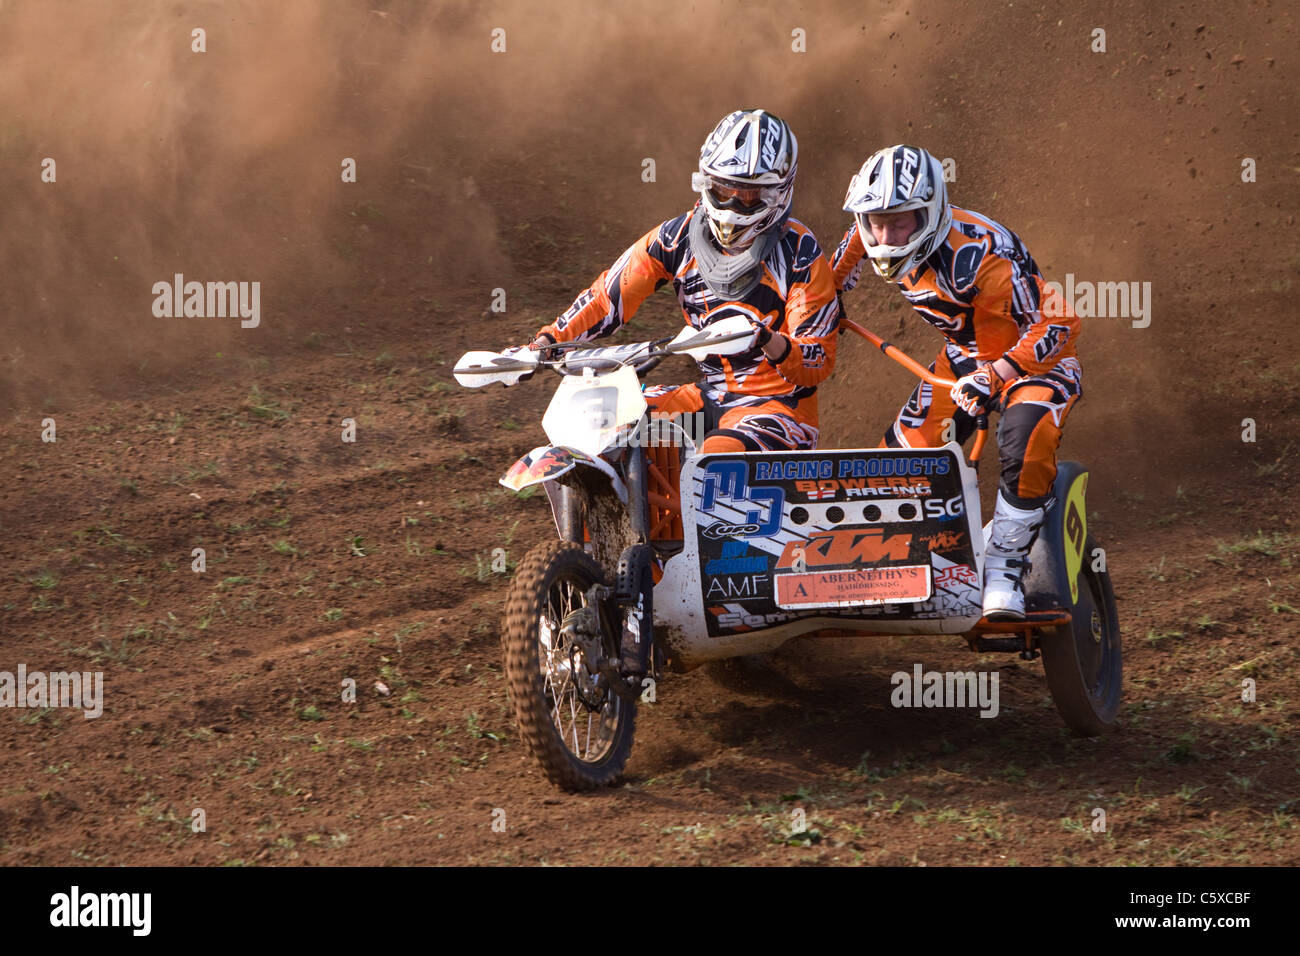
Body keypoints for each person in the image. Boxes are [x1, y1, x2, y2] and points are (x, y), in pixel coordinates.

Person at [830, 145, 1082, 620]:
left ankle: (1005, 567)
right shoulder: (869, 233)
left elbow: (1060, 322)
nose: (885, 235)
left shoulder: (984, 253)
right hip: (961, 362)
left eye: (900, 222)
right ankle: (893, 563)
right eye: (875, 221)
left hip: (1035, 365)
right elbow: (827, 281)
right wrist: (819, 309)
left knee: (1024, 437)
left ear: (931, 212)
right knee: (894, 468)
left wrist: (998, 374)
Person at [528, 109, 840, 461]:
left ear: (777, 193)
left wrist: (766, 339)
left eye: (748, 196)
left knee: (719, 455)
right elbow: (606, 299)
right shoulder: (675, 239)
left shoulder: (800, 253)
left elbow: (816, 361)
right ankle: (627, 513)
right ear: (706, 181)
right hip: (710, 402)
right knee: (605, 423)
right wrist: (547, 340)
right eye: (723, 189)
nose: (733, 204)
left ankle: (707, 504)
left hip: (780, 413)